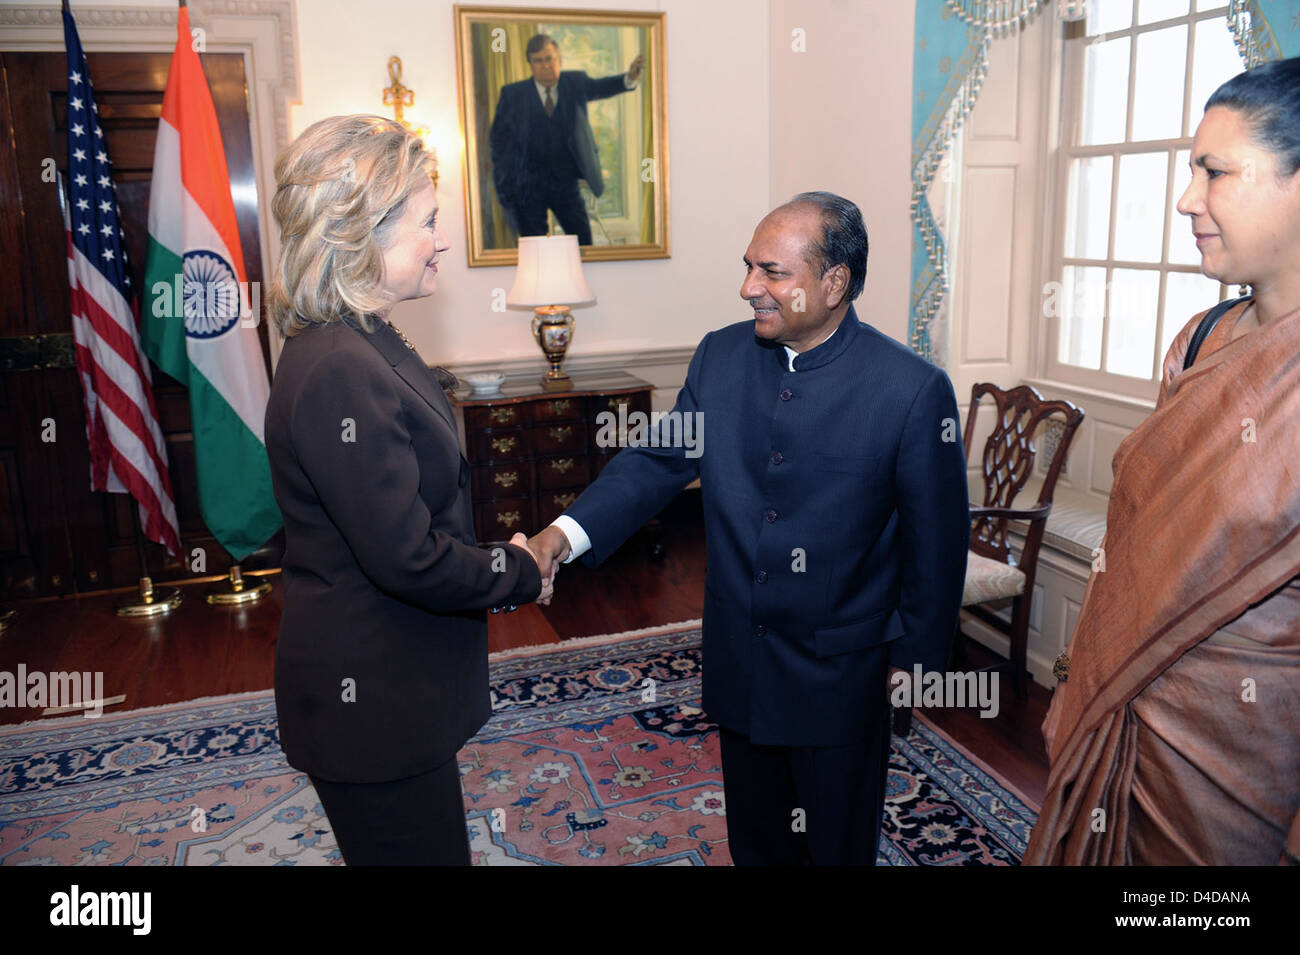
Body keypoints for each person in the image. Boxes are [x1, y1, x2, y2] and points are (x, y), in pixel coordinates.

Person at [527, 192, 970, 865]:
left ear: (833, 282)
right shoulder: (720, 358)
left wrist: (914, 667)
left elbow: (937, 549)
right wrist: (561, 534)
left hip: (840, 681)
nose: (748, 288)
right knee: (758, 845)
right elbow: (655, 460)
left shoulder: (909, 390)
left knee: (834, 849)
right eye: (748, 267)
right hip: (742, 663)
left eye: (771, 272)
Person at [1025, 57, 1300, 866]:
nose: (1187, 200)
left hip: (1246, 749)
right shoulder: (1203, 338)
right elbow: (1137, 536)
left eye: (1214, 172)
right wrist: (1085, 682)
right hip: (1122, 706)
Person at [264, 115, 550, 865]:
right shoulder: (338, 368)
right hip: (371, 702)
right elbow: (408, 557)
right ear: (361, 232)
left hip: (390, 688)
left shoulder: (359, 340)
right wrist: (519, 570)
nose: (443, 239)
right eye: (427, 221)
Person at [489, 33, 643, 245]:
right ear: (531, 64)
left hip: (566, 185)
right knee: (536, 251)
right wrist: (506, 189)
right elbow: (499, 145)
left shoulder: (575, 83)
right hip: (528, 188)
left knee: (583, 244)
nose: (545, 65)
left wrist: (630, 78)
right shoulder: (513, 95)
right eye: (538, 60)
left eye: (549, 58)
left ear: (559, 59)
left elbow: (600, 87)